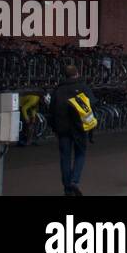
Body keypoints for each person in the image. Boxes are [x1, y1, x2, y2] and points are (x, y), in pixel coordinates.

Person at [48, 65, 95, 196]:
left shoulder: (58, 90)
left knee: (65, 158)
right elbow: (92, 105)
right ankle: (74, 181)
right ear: (77, 74)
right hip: (80, 128)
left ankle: (67, 189)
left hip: (62, 130)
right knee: (80, 154)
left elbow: (51, 111)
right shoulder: (83, 88)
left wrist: (54, 128)